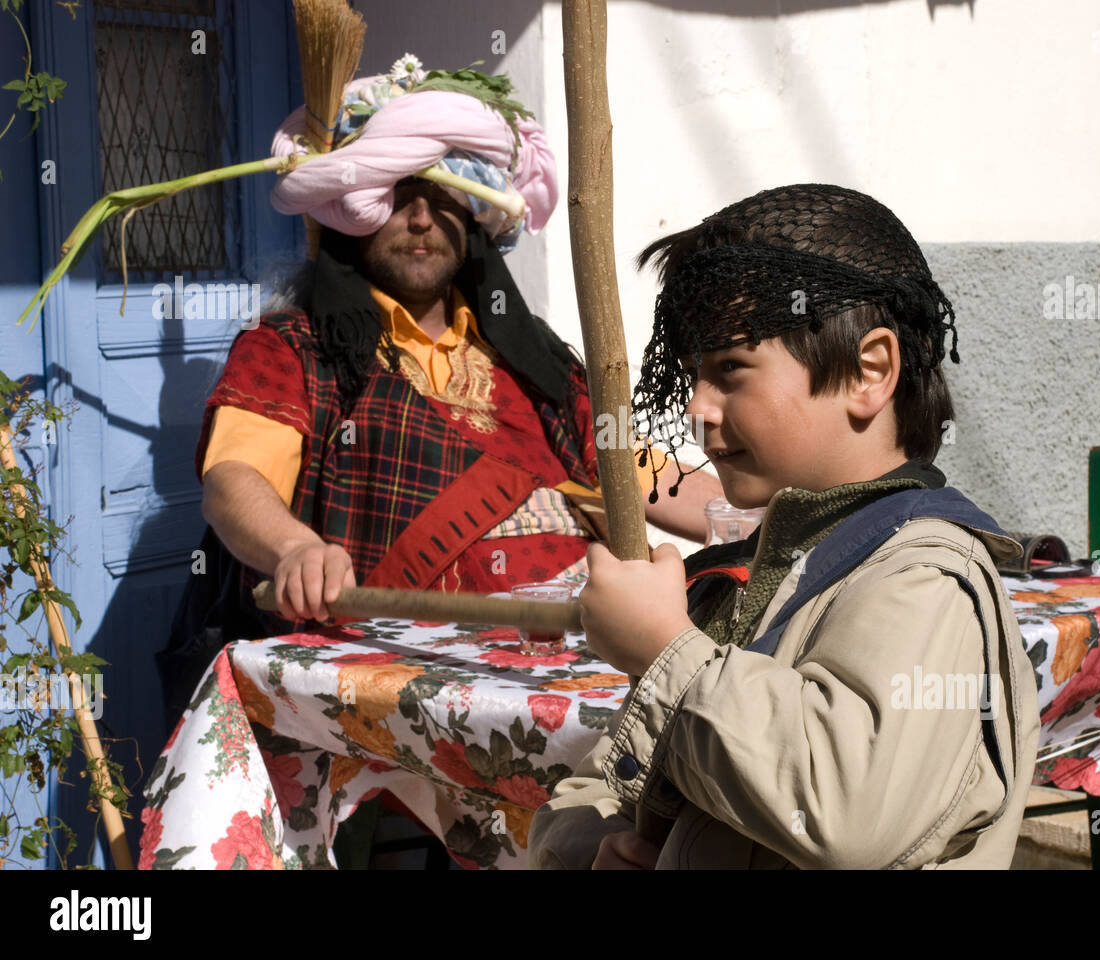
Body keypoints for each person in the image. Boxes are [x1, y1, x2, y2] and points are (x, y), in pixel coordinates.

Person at [159, 63, 720, 726]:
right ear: (352, 210)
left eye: (445, 194)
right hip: (424, 679)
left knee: (703, 713)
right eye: (397, 195)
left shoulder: (527, 351)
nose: (422, 219)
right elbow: (235, 477)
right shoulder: (291, 348)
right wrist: (295, 550)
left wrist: (759, 514)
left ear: (474, 214)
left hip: (585, 645)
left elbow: (628, 466)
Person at [528, 183, 1041, 869]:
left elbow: (845, 810)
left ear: (869, 371)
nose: (698, 410)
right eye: (691, 377)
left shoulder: (923, 577)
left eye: (730, 371)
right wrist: (597, 846)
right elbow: (610, 780)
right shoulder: (751, 573)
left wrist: (662, 649)